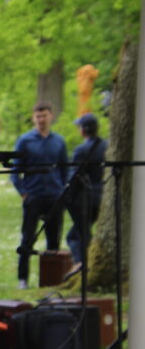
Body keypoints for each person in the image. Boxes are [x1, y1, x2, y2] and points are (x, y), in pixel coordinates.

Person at [11, 103, 68, 290]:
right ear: (33, 118)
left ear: (51, 117)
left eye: (44, 116)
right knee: (28, 238)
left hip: (54, 196)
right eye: (38, 116)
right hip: (33, 195)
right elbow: (15, 170)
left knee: (54, 239)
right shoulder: (25, 141)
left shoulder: (58, 141)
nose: (41, 119)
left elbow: (65, 167)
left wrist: (62, 188)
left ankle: (51, 278)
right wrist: (23, 192)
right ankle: (23, 279)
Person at [65, 113, 108, 271]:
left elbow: (75, 176)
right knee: (83, 232)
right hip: (101, 197)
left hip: (84, 200)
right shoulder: (107, 146)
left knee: (74, 236)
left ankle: (81, 264)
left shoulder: (81, 150)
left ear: (83, 130)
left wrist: (66, 198)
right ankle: (86, 263)